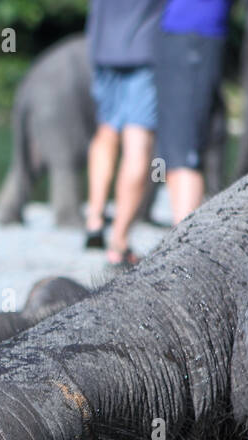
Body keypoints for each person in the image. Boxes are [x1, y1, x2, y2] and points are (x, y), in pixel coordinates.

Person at [83, 0, 164, 266]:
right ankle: (119, 242)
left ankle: (94, 219)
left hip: (103, 49)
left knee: (105, 132)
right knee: (138, 143)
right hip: (144, 52)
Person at [155, 0, 233, 223]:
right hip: (189, 33)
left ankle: (183, 239)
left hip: (191, 32)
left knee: (183, 151)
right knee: (181, 146)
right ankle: (184, 235)